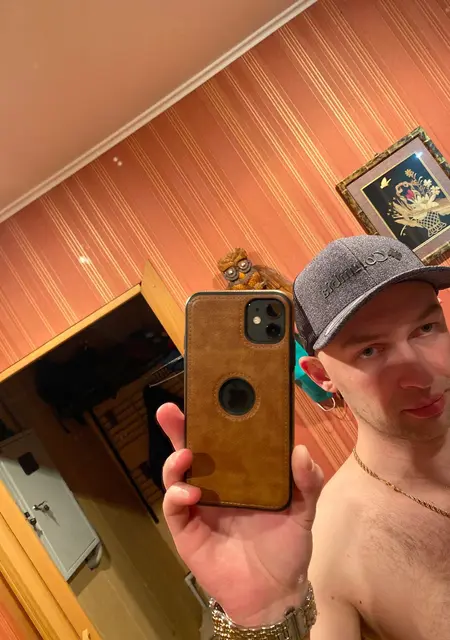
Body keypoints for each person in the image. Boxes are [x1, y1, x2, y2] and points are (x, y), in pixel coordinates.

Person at [157, 235, 450, 639]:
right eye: (370, 350)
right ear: (320, 375)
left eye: (425, 328)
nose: (420, 374)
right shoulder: (331, 550)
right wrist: (262, 612)